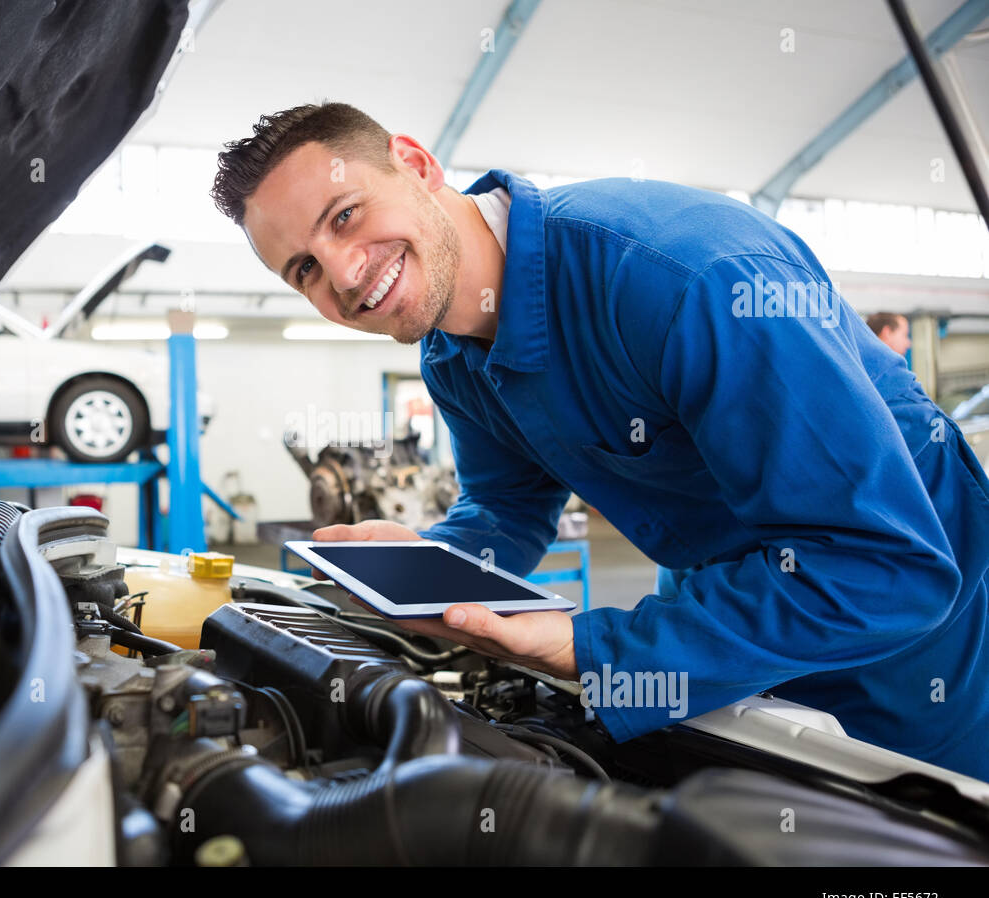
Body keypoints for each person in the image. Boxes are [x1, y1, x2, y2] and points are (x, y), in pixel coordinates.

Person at [209, 102, 989, 780]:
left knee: (912, 848)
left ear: (415, 162)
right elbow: (507, 510)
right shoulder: (451, 356)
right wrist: (426, 568)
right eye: (305, 268)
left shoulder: (683, 277)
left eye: (345, 216)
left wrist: (597, 649)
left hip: (916, 639)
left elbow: (888, 570)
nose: (343, 275)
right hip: (731, 606)